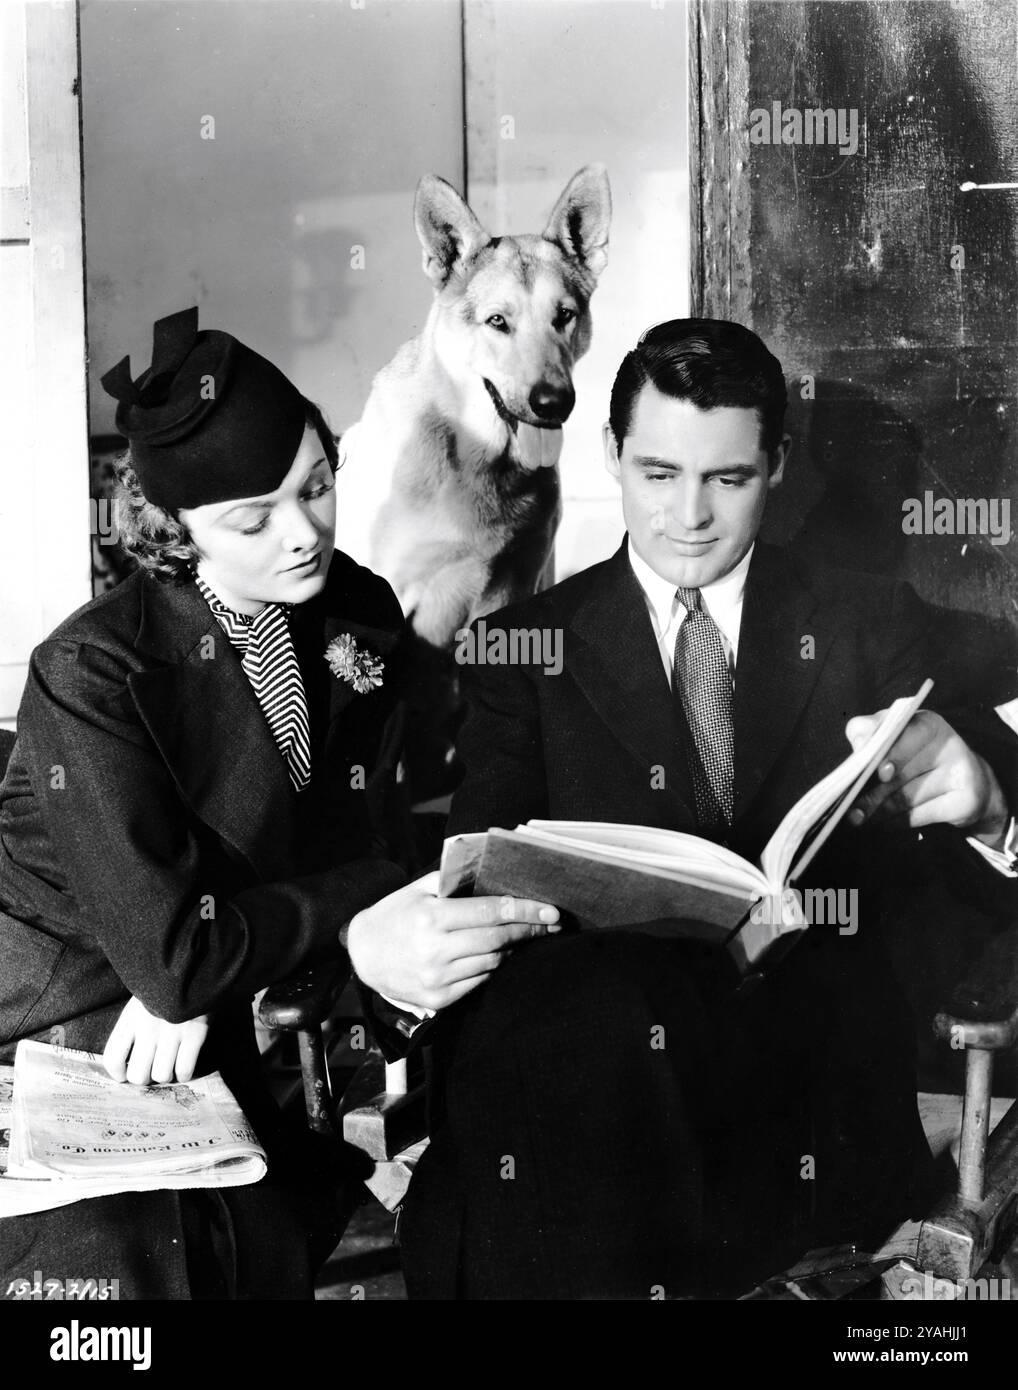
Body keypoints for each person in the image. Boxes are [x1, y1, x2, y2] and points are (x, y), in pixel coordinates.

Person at [346, 318, 1018, 1299]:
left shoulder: (864, 621)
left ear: (777, 464)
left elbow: (1001, 704)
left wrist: (993, 802)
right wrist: (390, 948)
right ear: (611, 454)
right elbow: (474, 867)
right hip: (592, 1075)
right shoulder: (527, 649)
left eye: (727, 479)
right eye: (657, 473)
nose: (688, 516)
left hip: (791, 1082)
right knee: (578, 1030)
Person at [0, 307, 559, 1300]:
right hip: (62, 1012)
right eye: (252, 521)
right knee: (141, 1267)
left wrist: (217, 969)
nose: (302, 536)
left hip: (229, 973)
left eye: (315, 488)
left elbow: (392, 841)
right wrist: (199, 972)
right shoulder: (93, 672)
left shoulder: (356, 611)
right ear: (172, 531)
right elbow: (173, 960)